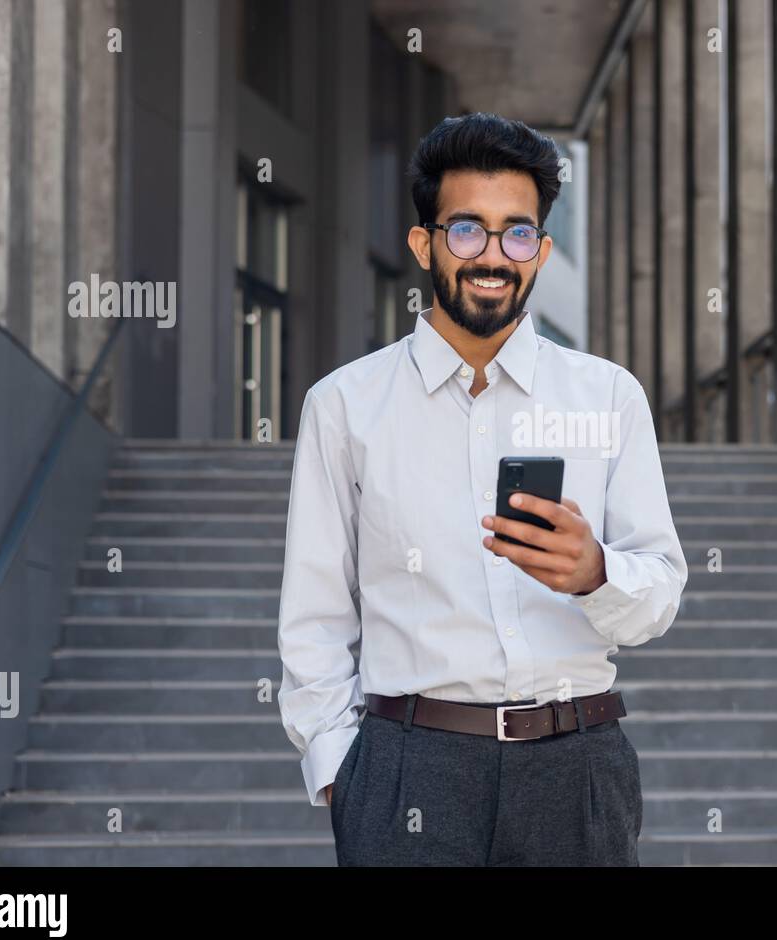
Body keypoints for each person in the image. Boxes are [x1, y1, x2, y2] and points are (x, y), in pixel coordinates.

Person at [276, 111, 687, 866]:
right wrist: (344, 776)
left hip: (578, 770)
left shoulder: (608, 397)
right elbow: (314, 617)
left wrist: (597, 573)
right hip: (410, 772)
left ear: (542, 250)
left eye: (517, 232)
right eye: (467, 229)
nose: (493, 255)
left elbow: (659, 593)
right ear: (423, 242)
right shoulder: (344, 405)